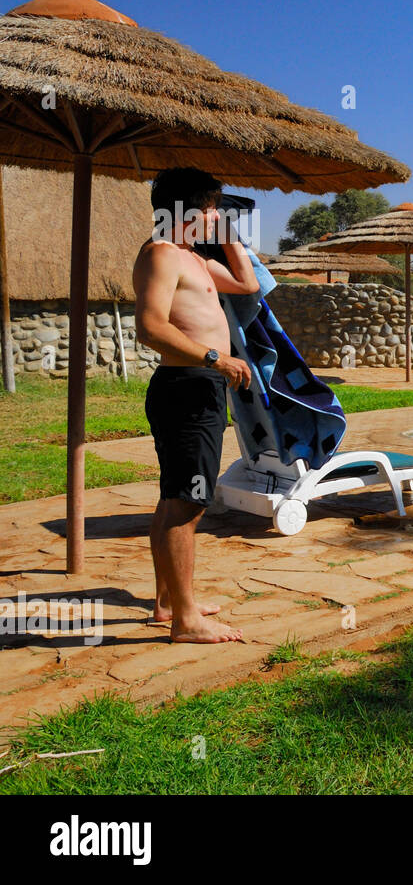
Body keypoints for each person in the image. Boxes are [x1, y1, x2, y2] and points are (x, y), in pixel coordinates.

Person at [132, 168, 258, 643]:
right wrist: (216, 358)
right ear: (187, 210)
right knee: (187, 503)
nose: (216, 217)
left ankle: (168, 603)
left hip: (199, 386)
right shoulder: (162, 256)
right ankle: (187, 620)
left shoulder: (193, 259)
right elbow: (150, 327)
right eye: (211, 208)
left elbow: (246, 284)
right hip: (186, 386)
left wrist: (227, 236)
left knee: (174, 499)